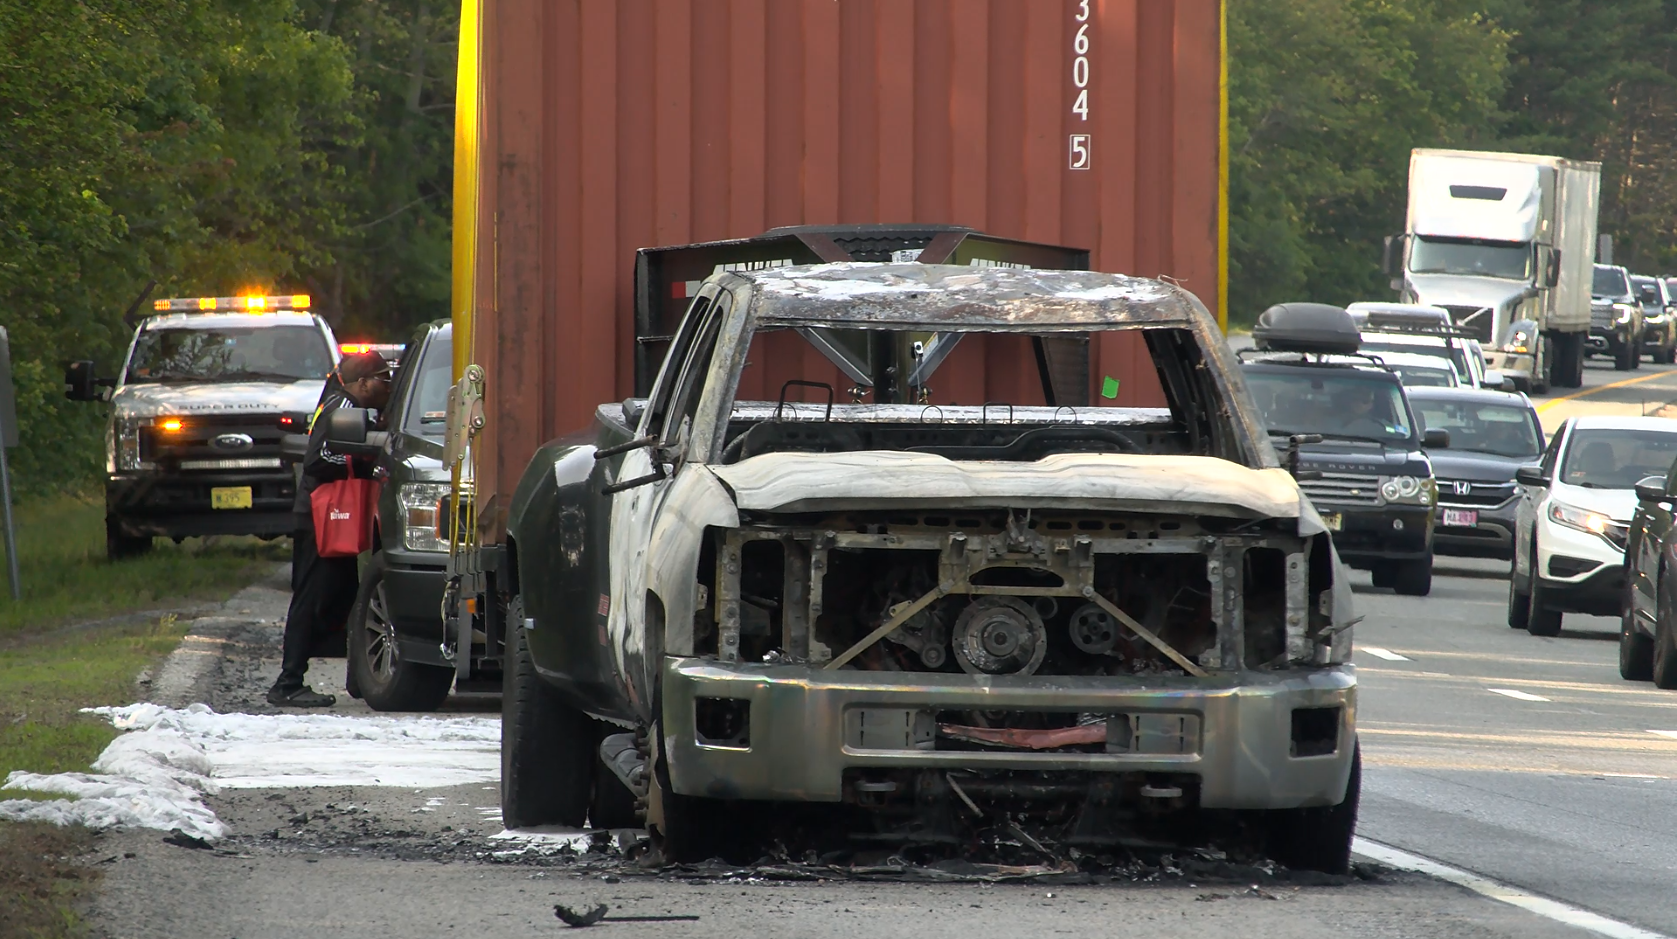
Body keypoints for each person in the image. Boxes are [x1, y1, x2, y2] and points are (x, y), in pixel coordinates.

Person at [267, 351, 393, 707]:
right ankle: (288, 682)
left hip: (330, 516)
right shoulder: (340, 408)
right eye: (383, 381)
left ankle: (357, 675)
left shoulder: (345, 403)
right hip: (320, 517)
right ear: (363, 383)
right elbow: (318, 459)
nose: (387, 387)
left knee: (345, 593)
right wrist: (369, 455)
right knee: (311, 597)